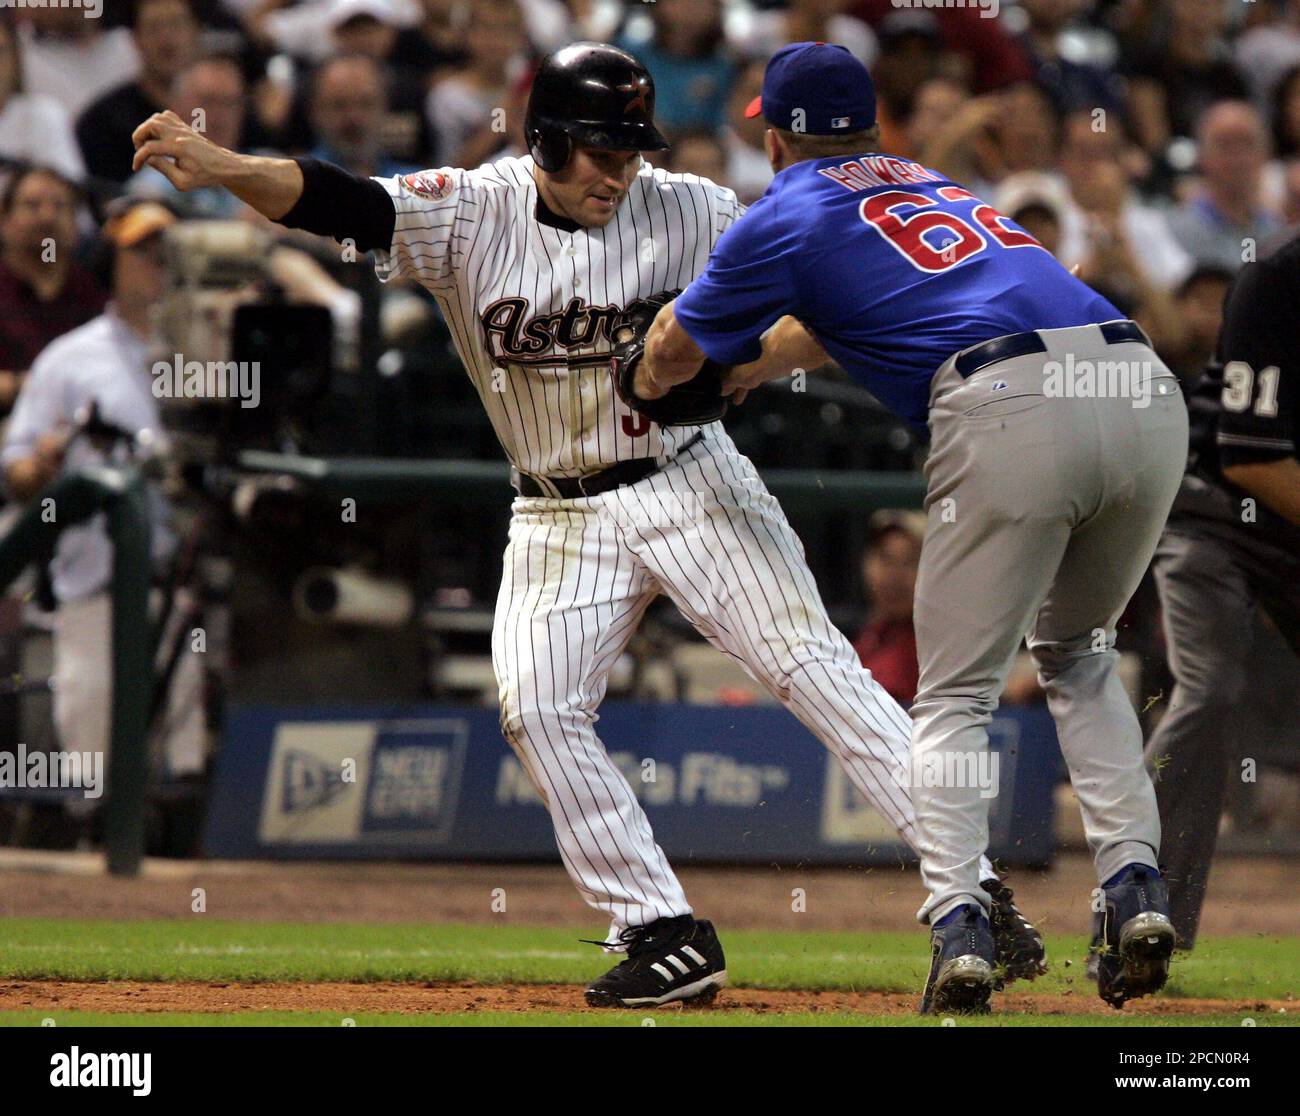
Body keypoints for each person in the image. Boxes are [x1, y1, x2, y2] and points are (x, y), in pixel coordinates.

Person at [129, 39, 1044, 1010]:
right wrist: (224, 166)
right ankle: (660, 928)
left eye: (632, 151)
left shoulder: (692, 207)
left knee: (812, 670)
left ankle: (973, 889)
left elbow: (829, 294)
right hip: (555, 508)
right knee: (535, 706)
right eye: (601, 153)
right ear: (546, 141)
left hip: (687, 480)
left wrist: (756, 361)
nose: (621, 172)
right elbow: (341, 201)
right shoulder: (473, 209)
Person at [635, 42, 1187, 1015]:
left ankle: (960, 924)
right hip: (1139, 387)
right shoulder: (926, 181)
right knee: (1078, 652)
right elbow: (841, 314)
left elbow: (677, 350)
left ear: (775, 137)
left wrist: (641, 382)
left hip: (1009, 403)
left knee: (955, 696)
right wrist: (755, 365)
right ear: (870, 125)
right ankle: (1135, 887)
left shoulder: (785, 211)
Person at [1, 201, 206, 783]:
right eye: (142, 252)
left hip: (180, 583)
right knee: (92, 768)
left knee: (183, 763)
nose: (157, 265)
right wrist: (45, 462)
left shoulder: (210, 349)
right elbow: (15, 470)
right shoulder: (69, 359)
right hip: (95, 582)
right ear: (110, 262)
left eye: (168, 253)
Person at [1141, 231, 1299, 954]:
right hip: (1219, 513)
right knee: (1209, 689)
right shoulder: (1276, 279)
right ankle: (1140, 910)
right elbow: (1251, 459)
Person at [0, 167, 106, 415]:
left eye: (59, 206)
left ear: (76, 225)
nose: (47, 217)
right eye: (32, 205)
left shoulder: (92, 294)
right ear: (4, 220)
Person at [75, 0, 199, 186]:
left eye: (176, 24)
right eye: (154, 28)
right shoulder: (103, 122)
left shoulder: (224, 106)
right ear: (135, 39)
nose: (167, 39)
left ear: (196, 32)